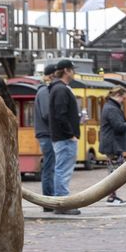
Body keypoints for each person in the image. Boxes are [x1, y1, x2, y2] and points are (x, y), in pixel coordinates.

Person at [47, 58, 82, 215]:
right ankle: (62, 203)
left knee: (61, 169)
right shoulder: (61, 89)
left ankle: (61, 202)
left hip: (61, 137)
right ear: (67, 70)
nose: (74, 72)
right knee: (62, 170)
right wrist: (71, 134)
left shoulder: (57, 88)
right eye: (72, 69)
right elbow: (61, 115)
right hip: (65, 138)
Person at [99, 86, 126, 205]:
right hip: (113, 144)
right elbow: (119, 127)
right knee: (114, 172)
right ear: (118, 95)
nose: (124, 101)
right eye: (123, 98)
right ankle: (111, 197)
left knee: (114, 170)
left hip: (112, 144)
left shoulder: (110, 106)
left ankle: (112, 196)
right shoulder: (112, 108)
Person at [33, 69, 57, 204]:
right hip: (46, 134)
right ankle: (49, 198)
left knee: (50, 166)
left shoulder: (43, 91)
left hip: (45, 133)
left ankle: (49, 197)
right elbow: (47, 114)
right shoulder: (44, 92)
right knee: (49, 167)